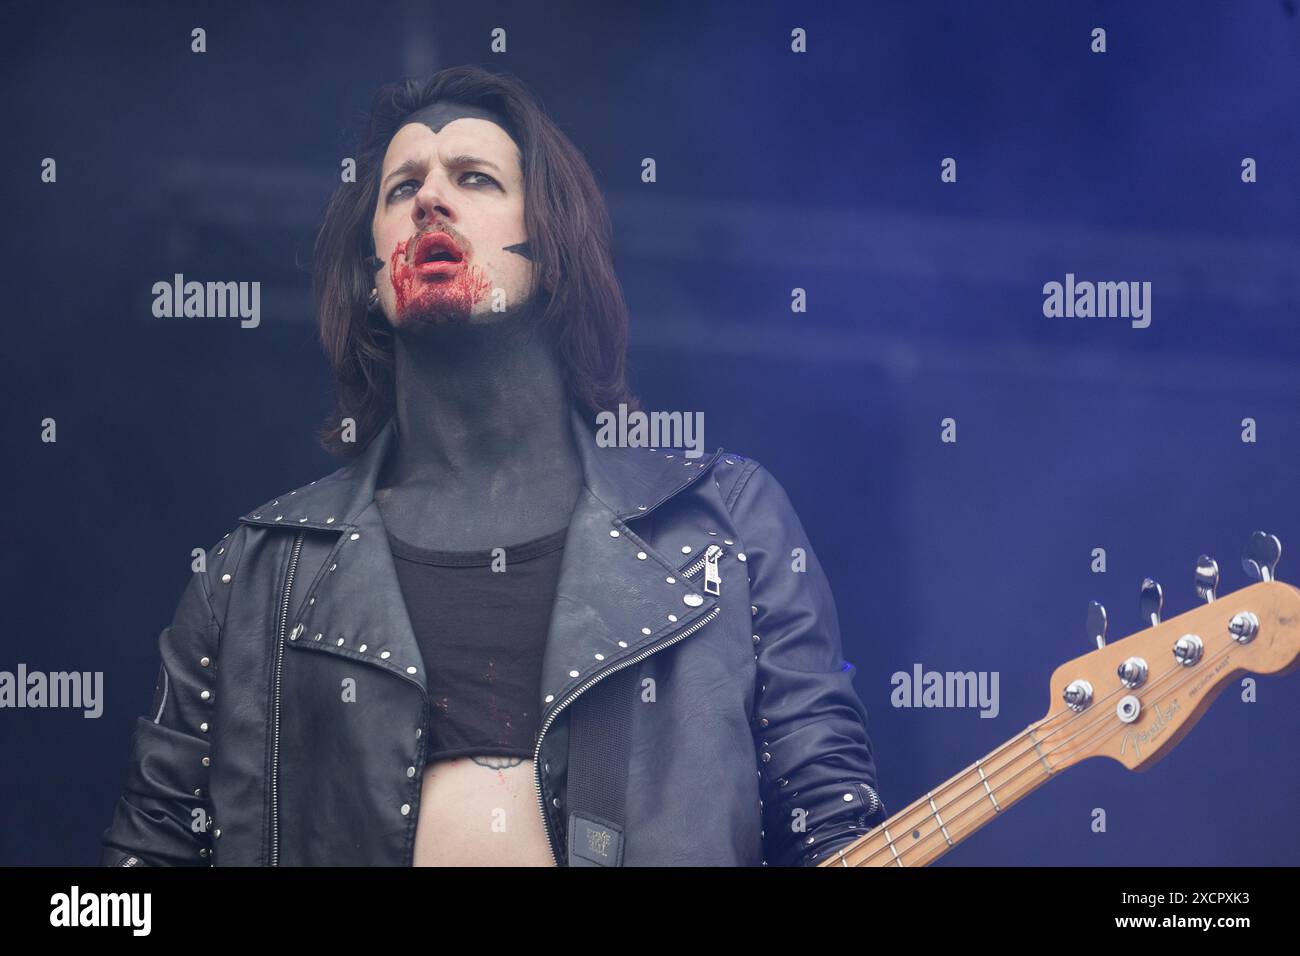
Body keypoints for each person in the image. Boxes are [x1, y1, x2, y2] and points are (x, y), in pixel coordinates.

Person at [99, 65, 885, 867]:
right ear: (370, 276)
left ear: (555, 247)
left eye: (474, 178)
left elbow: (831, 823)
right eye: (402, 189)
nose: (431, 200)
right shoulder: (255, 576)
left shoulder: (728, 526)